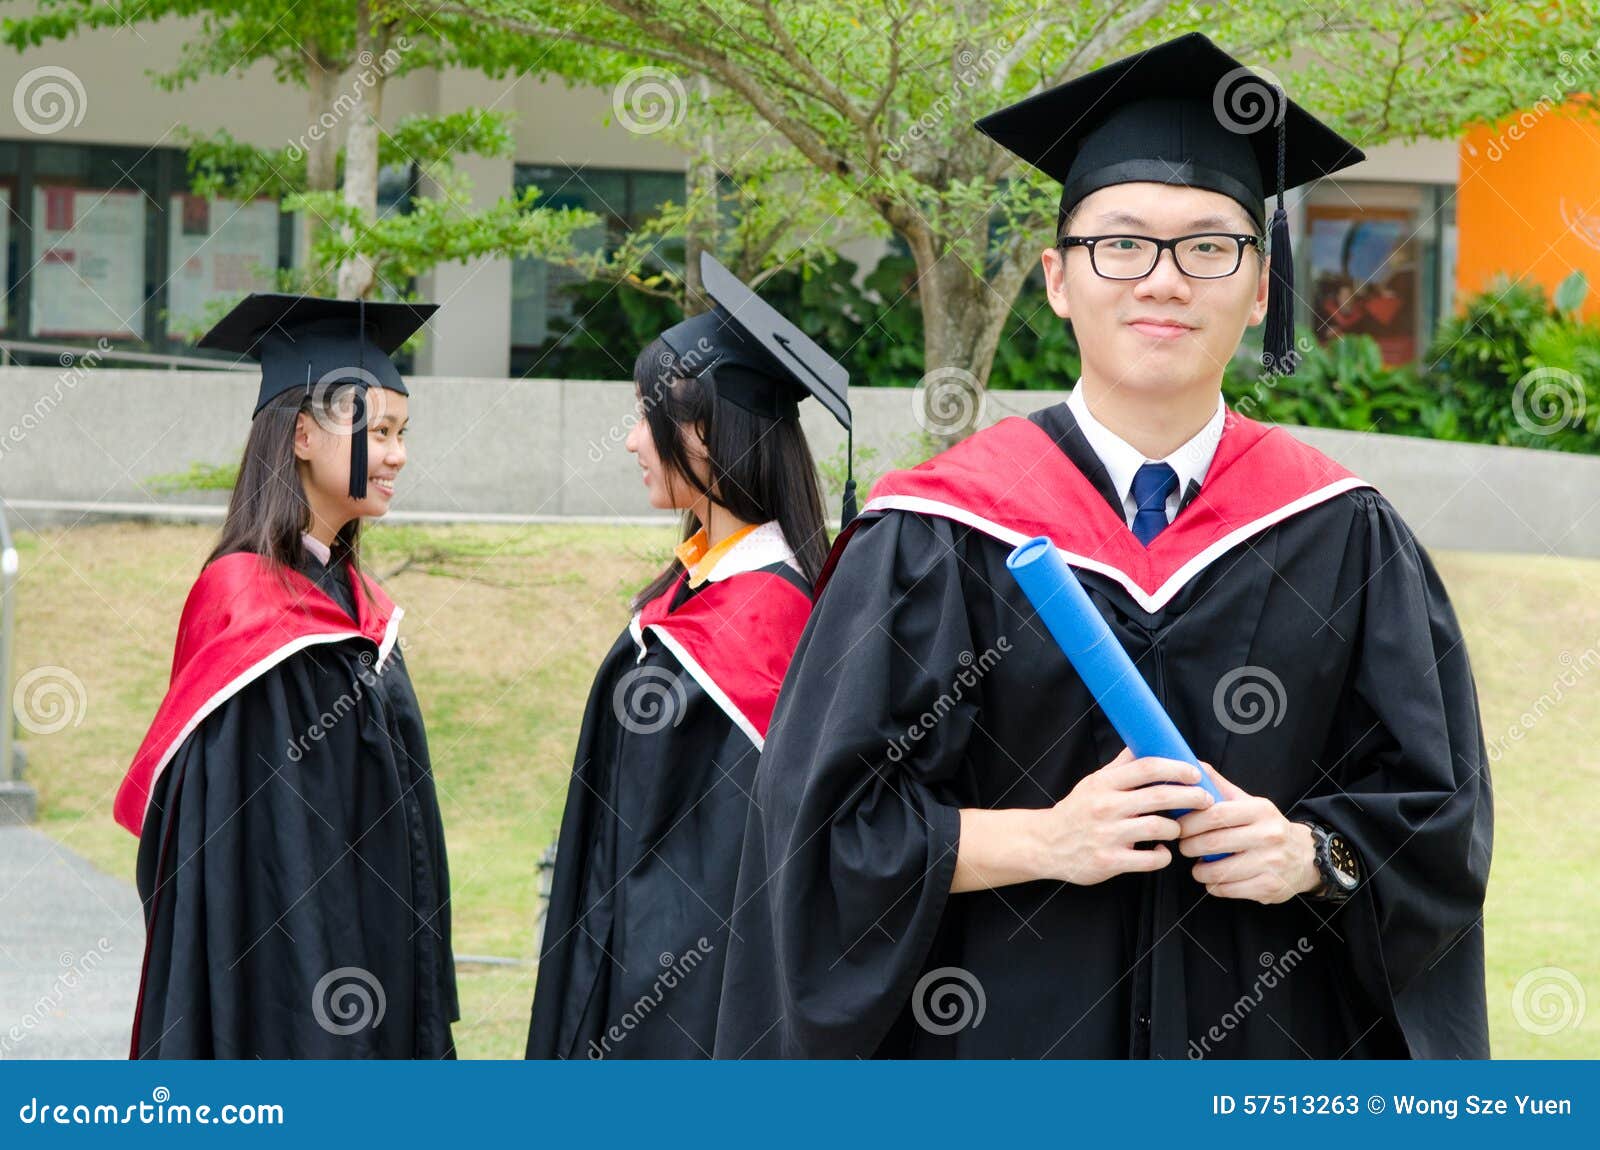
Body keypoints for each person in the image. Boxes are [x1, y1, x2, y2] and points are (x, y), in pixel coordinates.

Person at [714, 33, 1492, 1059]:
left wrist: (1312, 851)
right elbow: (815, 829)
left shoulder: (1344, 532)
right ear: (1056, 277)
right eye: (1120, 243)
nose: (1162, 280)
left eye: (1209, 245)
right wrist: (1040, 839)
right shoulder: (936, 533)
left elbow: (1440, 815)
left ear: (1260, 287)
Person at [526, 253, 854, 1059]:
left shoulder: (767, 615)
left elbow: (713, 876)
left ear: (706, 432)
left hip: (685, 1017)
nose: (635, 439)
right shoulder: (691, 590)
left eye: (648, 415)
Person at [118, 294, 458, 1059]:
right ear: (302, 434)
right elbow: (263, 859)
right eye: (378, 430)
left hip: (374, 964)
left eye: (404, 433)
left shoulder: (356, 606)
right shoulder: (247, 607)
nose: (398, 454)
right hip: (286, 1003)